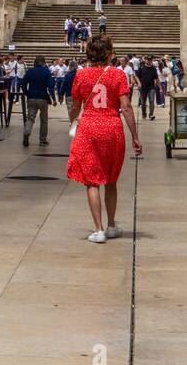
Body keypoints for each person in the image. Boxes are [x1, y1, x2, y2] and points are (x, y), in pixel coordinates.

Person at [66, 34, 142, 242]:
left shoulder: (81, 76)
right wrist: (135, 135)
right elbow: (126, 107)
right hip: (112, 128)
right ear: (109, 55)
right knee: (111, 179)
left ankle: (98, 229)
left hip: (88, 128)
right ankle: (111, 225)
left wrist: (73, 122)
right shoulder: (118, 75)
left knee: (92, 181)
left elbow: (75, 105)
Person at [21, 55, 56, 147]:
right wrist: (54, 99)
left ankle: (27, 132)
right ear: (44, 62)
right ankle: (42, 140)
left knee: (30, 118)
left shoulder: (30, 71)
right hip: (42, 98)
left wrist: (27, 93)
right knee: (44, 120)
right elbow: (50, 86)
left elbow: (23, 83)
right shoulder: (46, 71)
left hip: (31, 97)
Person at [137, 56, 159, 120]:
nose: (149, 61)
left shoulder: (154, 68)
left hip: (151, 87)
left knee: (151, 101)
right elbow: (136, 76)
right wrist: (139, 83)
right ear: (145, 60)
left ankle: (151, 114)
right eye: (147, 60)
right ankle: (144, 114)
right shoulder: (141, 67)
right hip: (143, 87)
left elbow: (156, 78)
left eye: (150, 60)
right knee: (143, 102)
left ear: (152, 60)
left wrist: (160, 88)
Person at [7, 54, 27, 124]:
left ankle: (25, 99)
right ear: (19, 59)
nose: (23, 60)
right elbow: (12, 70)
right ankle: (17, 99)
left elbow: (26, 70)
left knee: (24, 89)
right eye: (22, 59)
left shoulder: (24, 64)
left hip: (23, 78)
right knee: (17, 89)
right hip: (18, 77)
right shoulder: (16, 64)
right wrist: (9, 72)